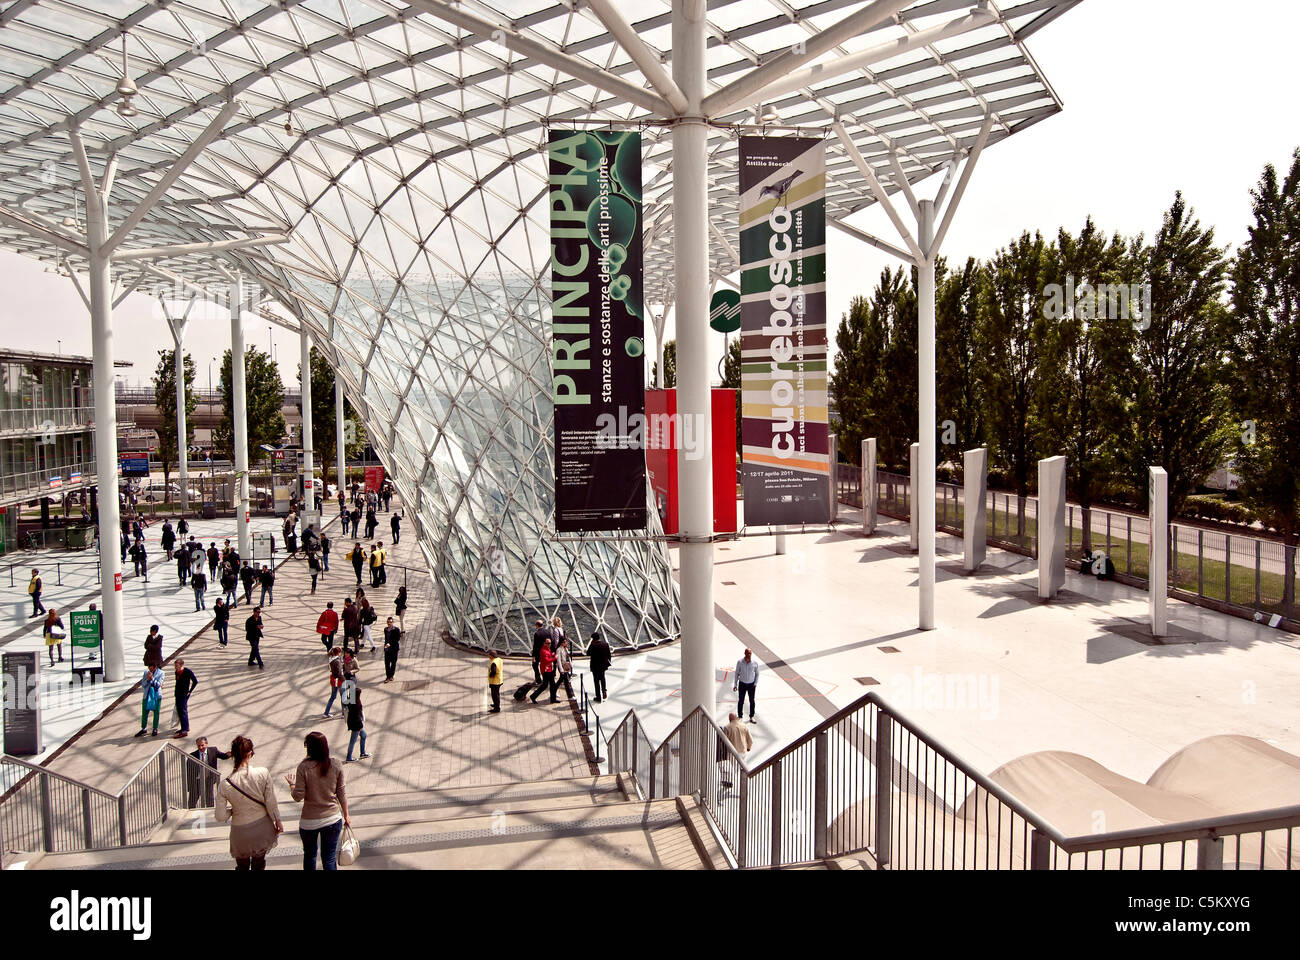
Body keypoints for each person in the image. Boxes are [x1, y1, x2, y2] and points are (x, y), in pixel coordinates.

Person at [214, 735, 282, 870]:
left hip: (240, 831)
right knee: (259, 864)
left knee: (242, 866)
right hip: (261, 826)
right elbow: (271, 802)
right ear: (250, 753)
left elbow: (220, 816)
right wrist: (277, 820)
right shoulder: (262, 773)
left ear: (233, 755)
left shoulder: (225, 784)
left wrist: (232, 811)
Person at [287, 732, 350, 870]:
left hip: (309, 821)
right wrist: (346, 814)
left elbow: (298, 796)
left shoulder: (304, 767)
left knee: (310, 856)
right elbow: (341, 792)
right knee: (329, 858)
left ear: (309, 748)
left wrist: (292, 785)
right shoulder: (336, 764)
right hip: (332, 818)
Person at [186, 736, 230, 808]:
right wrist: (190, 786)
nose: (200, 747)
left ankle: (210, 809)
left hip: (209, 778)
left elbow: (223, 756)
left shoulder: (213, 750)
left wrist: (231, 753)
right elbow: (189, 772)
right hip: (197, 780)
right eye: (198, 746)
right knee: (192, 800)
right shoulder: (192, 756)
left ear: (206, 744)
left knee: (209, 797)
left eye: (202, 745)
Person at [718, 712, 753, 790]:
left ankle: (731, 782)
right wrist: (748, 747)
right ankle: (743, 783)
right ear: (736, 718)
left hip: (732, 752)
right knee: (742, 768)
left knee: (732, 768)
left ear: (729, 719)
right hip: (743, 751)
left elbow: (724, 741)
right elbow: (750, 740)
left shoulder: (727, 727)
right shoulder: (744, 726)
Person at [135, 663, 164, 737]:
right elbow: (143, 685)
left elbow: (158, 685)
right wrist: (147, 679)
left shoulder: (161, 673)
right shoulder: (146, 672)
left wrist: (152, 678)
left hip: (156, 695)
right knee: (144, 712)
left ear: (155, 667)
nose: (150, 670)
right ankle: (143, 728)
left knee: (156, 712)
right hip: (147, 695)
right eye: (149, 668)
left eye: (151, 669)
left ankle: (155, 728)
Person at [172, 658, 198, 738]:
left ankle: (184, 731)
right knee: (180, 711)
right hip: (178, 694)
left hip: (183, 694)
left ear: (181, 665)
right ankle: (185, 727)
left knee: (182, 711)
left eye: (177, 666)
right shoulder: (177, 672)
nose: (175, 667)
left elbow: (195, 681)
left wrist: (190, 691)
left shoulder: (187, 672)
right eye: (175, 666)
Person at [733, 648, 759, 723]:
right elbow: (736, 673)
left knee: (752, 701)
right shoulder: (740, 662)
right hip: (742, 684)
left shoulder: (755, 663)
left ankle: (751, 716)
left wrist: (755, 683)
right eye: (747, 653)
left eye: (750, 653)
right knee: (741, 701)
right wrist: (735, 684)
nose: (749, 655)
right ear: (745, 653)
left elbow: (757, 674)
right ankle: (740, 716)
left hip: (751, 685)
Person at [344, 686, 369, 762]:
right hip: (356, 724)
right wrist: (360, 726)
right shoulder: (356, 704)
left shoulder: (351, 700)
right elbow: (356, 716)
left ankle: (362, 753)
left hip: (352, 722)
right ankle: (349, 757)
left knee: (364, 735)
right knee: (353, 741)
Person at [530, 638, 557, 704]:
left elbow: (548, 656)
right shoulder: (543, 651)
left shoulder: (547, 649)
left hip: (548, 669)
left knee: (549, 684)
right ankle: (533, 696)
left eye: (550, 643)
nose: (549, 645)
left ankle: (552, 699)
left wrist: (552, 655)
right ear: (544, 643)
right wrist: (554, 658)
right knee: (547, 685)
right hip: (546, 670)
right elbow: (547, 660)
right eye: (548, 643)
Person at [587, 631, 612, 703]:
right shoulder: (605, 644)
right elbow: (609, 655)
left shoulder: (593, 645)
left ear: (593, 639)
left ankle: (598, 697)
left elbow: (588, 653)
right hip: (603, 665)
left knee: (596, 681)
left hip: (595, 666)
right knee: (602, 677)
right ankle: (604, 690)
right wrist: (608, 662)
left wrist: (591, 644)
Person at [324, 648, 345, 717]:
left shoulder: (330, 659)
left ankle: (326, 712)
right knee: (343, 697)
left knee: (333, 696)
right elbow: (339, 673)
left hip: (333, 680)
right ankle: (344, 713)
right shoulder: (337, 661)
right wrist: (344, 680)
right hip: (339, 681)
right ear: (338, 653)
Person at [531, 619, 552, 684]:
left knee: (535, 665)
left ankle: (538, 680)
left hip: (539, 653)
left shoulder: (537, 634)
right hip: (547, 652)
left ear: (537, 625)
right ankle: (547, 679)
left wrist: (533, 656)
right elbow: (551, 641)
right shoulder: (548, 632)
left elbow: (535, 646)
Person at [382, 616, 400, 682]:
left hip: (394, 649)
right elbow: (386, 638)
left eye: (390, 622)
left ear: (393, 622)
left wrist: (390, 643)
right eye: (388, 622)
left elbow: (397, 639)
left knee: (393, 663)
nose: (389, 623)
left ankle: (391, 675)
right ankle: (388, 676)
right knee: (387, 663)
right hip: (387, 649)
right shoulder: (385, 629)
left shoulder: (396, 630)